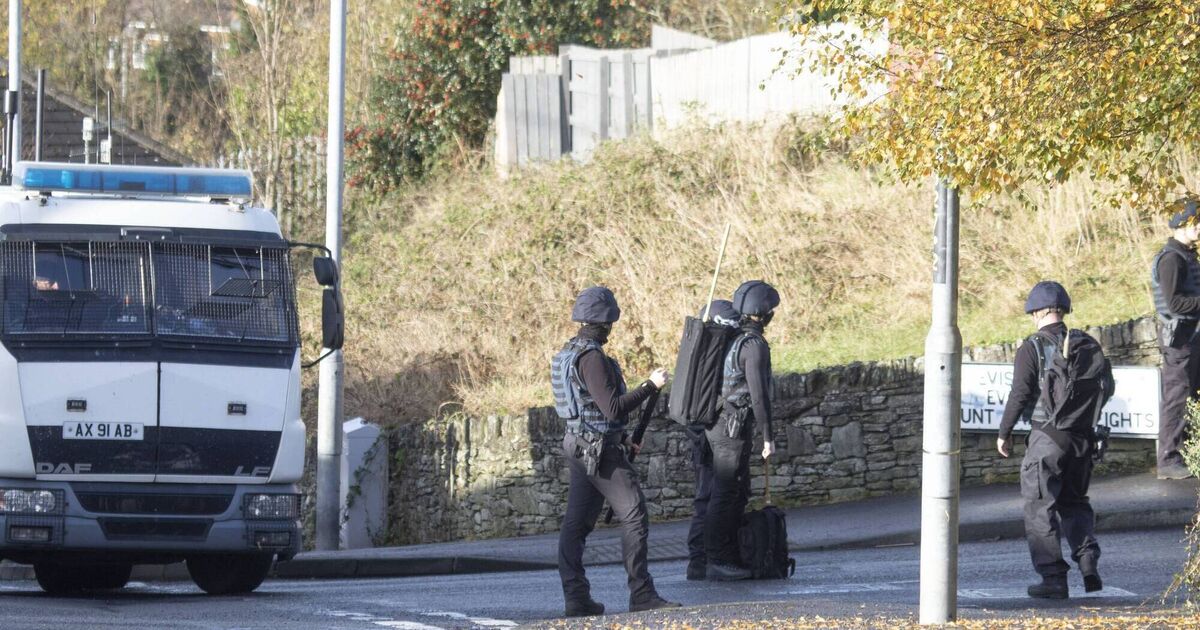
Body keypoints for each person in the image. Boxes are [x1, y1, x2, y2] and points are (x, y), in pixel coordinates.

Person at [550, 286, 681, 617]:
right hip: (599, 453)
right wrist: (649, 386)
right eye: (610, 322)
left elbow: (588, 411)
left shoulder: (569, 353)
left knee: (576, 525)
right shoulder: (592, 358)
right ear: (604, 323)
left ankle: (577, 598)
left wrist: (621, 439)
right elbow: (613, 409)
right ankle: (641, 594)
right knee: (634, 514)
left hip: (579, 446)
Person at [997, 281, 1114, 599]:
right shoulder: (1087, 344)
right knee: (1075, 503)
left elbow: (1020, 393)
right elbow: (1108, 387)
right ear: (1062, 310)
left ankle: (1053, 579)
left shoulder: (1032, 347)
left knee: (1039, 507)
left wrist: (1004, 433)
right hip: (1083, 440)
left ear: (1036, 312)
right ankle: (1088, 563)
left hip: (1047, 439)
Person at [705, 280, 779, 581]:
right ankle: (716, 559)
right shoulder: (754, 346)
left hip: (719, 424)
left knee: (734, 492)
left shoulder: (732, 339)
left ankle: (727, 554)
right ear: (764, 315)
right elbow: (759, 396)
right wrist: (768, 437)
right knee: (725, 493)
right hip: (731, 429)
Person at [685, 299, 741, 581]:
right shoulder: (710, 351)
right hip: (706, 429)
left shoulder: (696, 349)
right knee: (708, 495)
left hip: (697, 428)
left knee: (705, 495)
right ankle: (701, 559)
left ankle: (698, 560)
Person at [1151, 197, 1200, 480]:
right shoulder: (1171, 258)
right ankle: (1168, 461)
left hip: (1190, 337)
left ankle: (1186, 453)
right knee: (1176, 398)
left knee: (1191, 395)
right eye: (1197, 221)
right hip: (1178, 340)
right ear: (1183, 224)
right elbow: (1174, 304)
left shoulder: (1187, 254)